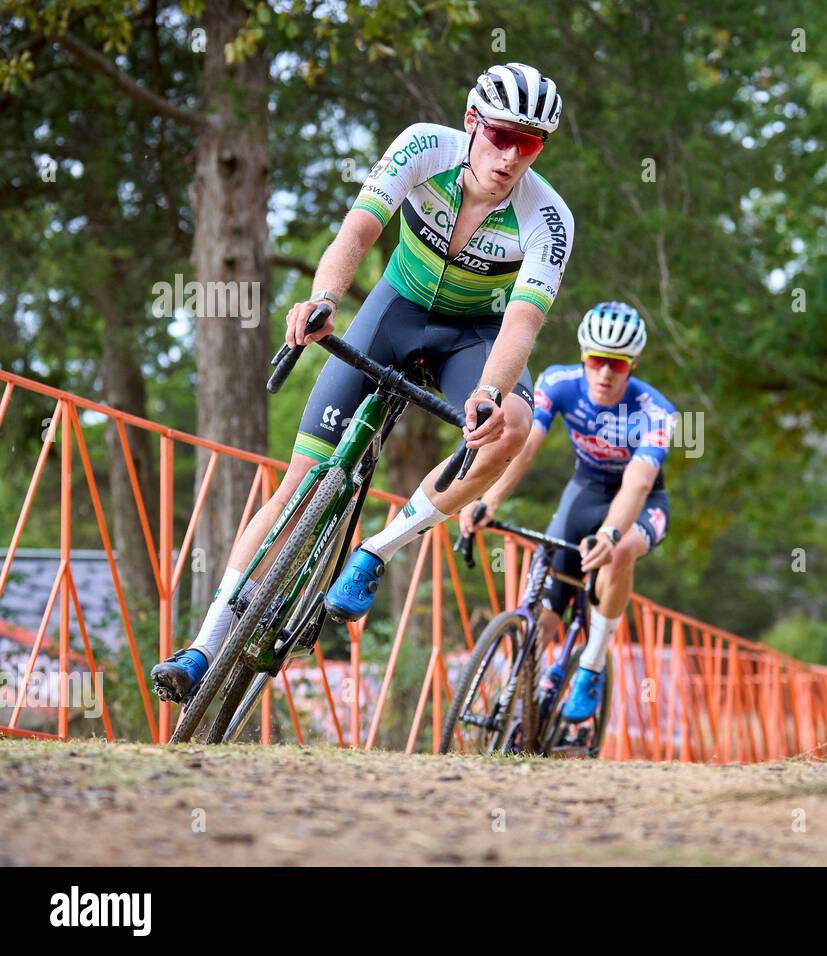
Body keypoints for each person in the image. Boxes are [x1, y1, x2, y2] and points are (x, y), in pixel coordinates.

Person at [152, 62, 574, 702]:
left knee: (511, 425)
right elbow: (359, 229)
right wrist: (323, 298)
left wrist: (488, 392)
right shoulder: (423, 147)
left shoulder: (548, 216)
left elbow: (522, 320)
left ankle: (375, 550)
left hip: (475, 338)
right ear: (470, 123)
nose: (512, 155)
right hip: (396, 308)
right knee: (298, 481)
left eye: (531, 143)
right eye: (501, 135)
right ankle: (205, 644)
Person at [460, 301, 674, 722]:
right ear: (583, 355)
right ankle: (516, 708)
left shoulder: (656, 411)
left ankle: (591, 664)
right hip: (586, 490)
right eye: (596, 360)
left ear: (633, 363)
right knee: (543, 612)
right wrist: (490, 497)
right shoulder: (558, 382)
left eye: (617, 364)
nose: (604, 373)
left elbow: (639, 482)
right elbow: (523, 449)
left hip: (641, 502)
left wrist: (612, 533)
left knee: (618, 554)